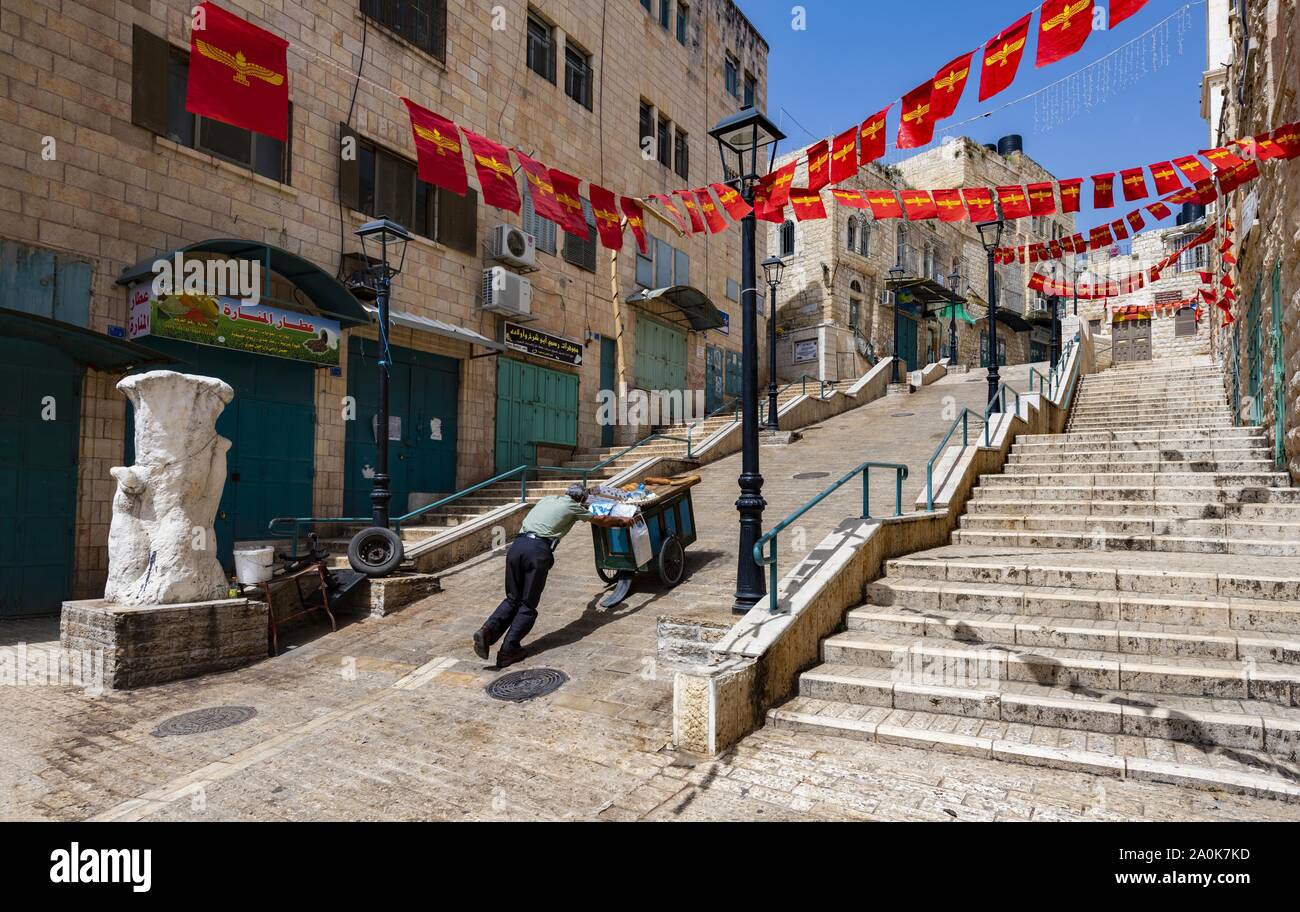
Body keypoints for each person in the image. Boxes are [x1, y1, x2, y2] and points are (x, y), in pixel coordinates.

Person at [474, 484, 635, 667]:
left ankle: (487, 631)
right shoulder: (573, 506)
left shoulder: (547, 499)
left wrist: (595, 599)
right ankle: (508, 651)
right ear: (580, 499)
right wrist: (621, 521)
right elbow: (601, 520)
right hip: (537, 551)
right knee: (527, 604)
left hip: (516, 547)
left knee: (512, 598)